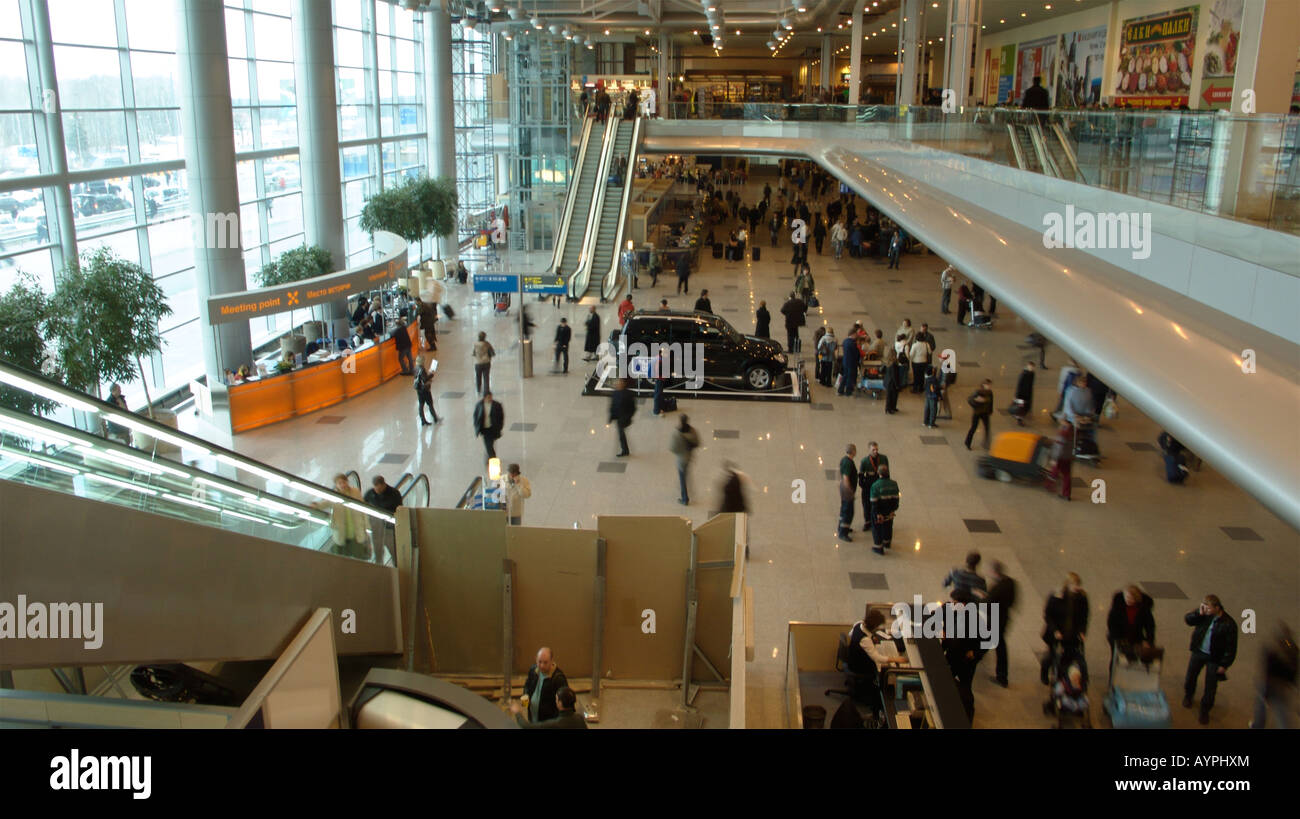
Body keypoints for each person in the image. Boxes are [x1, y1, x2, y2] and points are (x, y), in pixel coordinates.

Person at [1183, 594, 1237, 725]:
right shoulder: (1203, 614)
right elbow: (1188, 620)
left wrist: (1225, 664)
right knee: (1191, 676)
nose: (1206, 610)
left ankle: (1205, 710)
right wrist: (1198, 614)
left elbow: (1231, 646)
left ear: (1217, 607)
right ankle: (1188, 696)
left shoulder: (1229, 624)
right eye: (1204, 608)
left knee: (1211, 686)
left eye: (1208, 608)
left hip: (1215, 658)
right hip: (1198, 652)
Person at [1041, 572, 1088, 686]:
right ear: (1067, 585)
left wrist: (1082, 631)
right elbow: (1048, 615)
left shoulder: (1082, 598)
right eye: (1074, 585)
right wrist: (1055, 631)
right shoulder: (1056, 596)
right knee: (1052, 655)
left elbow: (1084, 617)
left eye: (1078, 585)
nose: (1076, 588)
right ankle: (1045, 671)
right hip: (1056, 633)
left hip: (1072, 634)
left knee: (1068, 656)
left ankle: (1061, 678)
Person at [1250, 623, 1297, 729]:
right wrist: (1292, 684)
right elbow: (1294, 669)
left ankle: (1258, 725)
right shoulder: (1293, 649)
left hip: (1270, 684)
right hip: (1283, 686)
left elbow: (1266, 668)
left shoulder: (1270, 649)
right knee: (1282, 713)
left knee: (1262, 706)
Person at [314, 474, 370, 560]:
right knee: (343, 559)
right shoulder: (333, 495)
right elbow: (325, 503)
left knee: (358, 557)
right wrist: (316, 505)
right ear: (336, 485)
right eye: (339, 483)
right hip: (341, 532)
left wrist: (366, 525)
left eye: (344, 482)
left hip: (355, 532)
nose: (342, 485)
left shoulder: (355, 492)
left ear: (347, 482)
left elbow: (363, 508)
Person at [1106, 585, 1156, 664]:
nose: (1128, 600)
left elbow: (1150, 626)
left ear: (1136, 599)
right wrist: (1119, 639)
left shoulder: (1144, 608)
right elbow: (1111, 623)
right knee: (1116, 657)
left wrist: (1148, 641)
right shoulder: (1117, 606)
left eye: (1131, 598)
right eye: (1127, 597)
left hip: (1136, 636)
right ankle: (1113, 675)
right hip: (1118, 636)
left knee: (1135, 658)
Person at [519, 647, 570, 724]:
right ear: (536, 659)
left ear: (552, 661)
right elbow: (527, 684)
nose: (542, 666)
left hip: (548, 722)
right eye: (539, 662)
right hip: (533, 718)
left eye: (545, 662)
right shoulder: (533, 670)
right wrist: (526, 694)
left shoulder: (558, 679)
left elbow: (564, 704)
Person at [986, 561, 1016, 687]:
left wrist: (983, 597)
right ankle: (1002, 675)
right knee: (999, 644)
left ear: (994, 573)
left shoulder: (996, 589)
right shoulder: (1011, 583)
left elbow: (987, 605)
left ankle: (1002, 676)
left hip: (995, 620)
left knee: (997, 644)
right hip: (1004, 618)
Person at [364, 475, 403, 565]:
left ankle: (397, 566)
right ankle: (379, 566)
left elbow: (400, 510)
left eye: (379, 489)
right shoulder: (370, 493)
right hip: (376, 527)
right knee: (378, 549)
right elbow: (364, 504)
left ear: (384, 485)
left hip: (389, 528)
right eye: (375, 488)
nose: (377, 491)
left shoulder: (394, 493)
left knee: (393, 549)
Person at [511, 685, 586, 729]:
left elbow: (527, 726)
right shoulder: (579, 719)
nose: (555, 701)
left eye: (556, 699)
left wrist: (518, 713)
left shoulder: (556, 724)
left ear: (560, 703)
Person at [868, 463, 899, 555]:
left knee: (877, 529)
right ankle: (887, 542)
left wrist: (877, 513)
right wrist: (893, 510)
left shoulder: (875, 486)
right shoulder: (894, 484)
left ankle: (878, 547)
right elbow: (896, 499)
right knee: (888, 526)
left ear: (878, 473)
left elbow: (874, 502)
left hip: (880, 513)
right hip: (889, 511)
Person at [669, 414, 700, 505]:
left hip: (681, 459)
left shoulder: (676, 434)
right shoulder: (693, 431)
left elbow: (673, 448)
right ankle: (687, 493)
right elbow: (697, 443)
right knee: (685, 474)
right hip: (689, 457)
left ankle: (685, 499)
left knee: (682, 479)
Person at [858, 442, 887, 532]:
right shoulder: (864, 461)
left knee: (879, 503)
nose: (875, 452)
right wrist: (863, 485)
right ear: (869, 450)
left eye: (876, 449)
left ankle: (877, 520)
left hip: (879, 483)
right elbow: (861, 475)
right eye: (873, 450)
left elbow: (887, 472)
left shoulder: (883, 458)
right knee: (866, 504)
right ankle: (867, 522)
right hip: (868, 484)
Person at [1043, 422, 1075, 500]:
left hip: (1060, 458)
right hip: (1068, 458)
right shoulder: (1073, 435)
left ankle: (1048, 485)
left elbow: (1058, 448)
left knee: (1054, 472)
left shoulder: (1062, 435)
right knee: (1067, 476)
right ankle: (1066, 494)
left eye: (1063, 425)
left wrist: (1054, 459)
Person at [472, 391, 504, 462]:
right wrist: (476, 426)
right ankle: (493, 459)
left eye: (491, 397)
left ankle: (489, 455)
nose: (490, 399)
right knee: (488, 445)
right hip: (484, 429)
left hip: (493, 428)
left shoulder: (497, 405)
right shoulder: (479, 405)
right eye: (488, 397)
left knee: (491, 443)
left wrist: (500, 427)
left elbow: (501, 417)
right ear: (484, 398)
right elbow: (475, 416)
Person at [609, 378, 636, 457]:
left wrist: (628, 417)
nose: (618, 384)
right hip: (619, 417)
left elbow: (633, 408)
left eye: (620, 382)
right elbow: (612, 406)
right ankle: (625, 450)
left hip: (624, 418)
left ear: (624, 384)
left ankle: (625, 450)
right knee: (621, 434)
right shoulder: (615, 393)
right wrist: (611, 417)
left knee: (621, 434)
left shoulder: (628, 394)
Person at [964, 379, 994, 450]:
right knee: (973, 428)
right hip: (977, 413)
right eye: (987, 385)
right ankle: (967, 442)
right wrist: (977, 401)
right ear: (983, 385)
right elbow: (970, 400)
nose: (989, 386)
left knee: (987, 428)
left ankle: (986, 444)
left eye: (990, 385)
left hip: (985, 413)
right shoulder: (978, 392)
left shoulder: (990, 393)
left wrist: (990, 410)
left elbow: (991, 403)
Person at [837, 444, 858, 543]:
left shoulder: (844, 460)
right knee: (848, 511)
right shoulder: (848, 463)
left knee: (844, 509)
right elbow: (846, 477)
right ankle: (843, 532)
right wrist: (849, 490)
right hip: (847, 490)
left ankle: (841, 526)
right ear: (853, 451)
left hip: (843, 488)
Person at [414, 356, 439, 425]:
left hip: (419, 389)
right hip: (425, 390)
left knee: (421, 405)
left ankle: (423, 420)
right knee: (430, 404)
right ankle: (435, 418)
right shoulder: (421, 369)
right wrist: (431, 374)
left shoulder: (415, 368)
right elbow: (425, 379)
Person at [469, 331, 495, 395]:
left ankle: (478, 390)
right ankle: (486, 391)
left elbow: (473, 353)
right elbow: (492, 353)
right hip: (486, 362)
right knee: (486, 377)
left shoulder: (475, 344)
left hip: (478, 363)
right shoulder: (487, 344)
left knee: (478, 377)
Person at [1011, 361, 1035, 426]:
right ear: (1027, 366)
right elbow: (1019, 385)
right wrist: (1017, 395)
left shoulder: (1032, 373)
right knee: (1021, 407)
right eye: (1031, 367)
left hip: (1028, 394)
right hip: (1021, 394)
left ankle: (1021, 417)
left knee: (1025, 407)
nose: (1032, 368)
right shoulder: (1023, 374)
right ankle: (1019, 420)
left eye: (1032, 367)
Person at [838, 330, 860, 396]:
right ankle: (848, 391)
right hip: (851, 362)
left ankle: (840, 390)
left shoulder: (845, 341)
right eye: (856, 335)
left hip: (845, 361)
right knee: (850, 377)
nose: (856, 336)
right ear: (852, 334)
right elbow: (856, 353)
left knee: (845, 376)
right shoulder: (852, 343)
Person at [882, 341, 901, 415]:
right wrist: (897, 384)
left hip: (888, 381)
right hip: (892, 383)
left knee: (891, 396)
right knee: (891, 396)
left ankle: (891, 407)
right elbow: (894, 375)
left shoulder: (887, 362)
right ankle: (889, 408)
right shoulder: (893, 364)